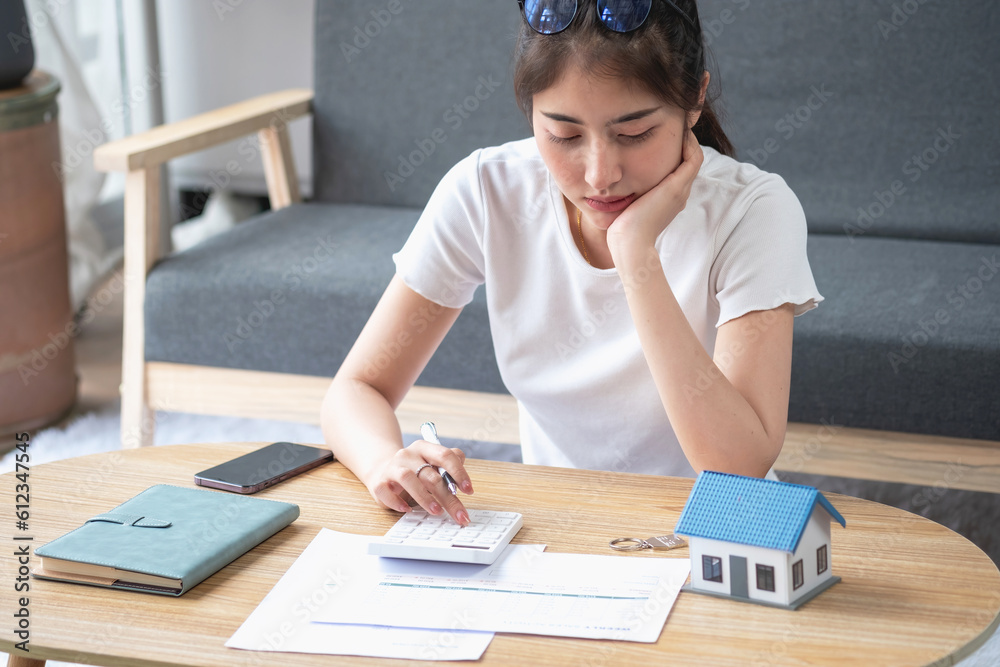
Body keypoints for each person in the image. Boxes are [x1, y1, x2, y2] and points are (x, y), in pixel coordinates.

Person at [321, 0, 823, 526]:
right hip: (561, 524)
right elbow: (356, 390)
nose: (599, 175)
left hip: (717, 529)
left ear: (695, 99)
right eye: (564, 135)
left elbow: (737, 468)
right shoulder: (487, 191)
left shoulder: (754, 210)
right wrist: (384, 460)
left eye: (634, 134)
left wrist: (636, 256)